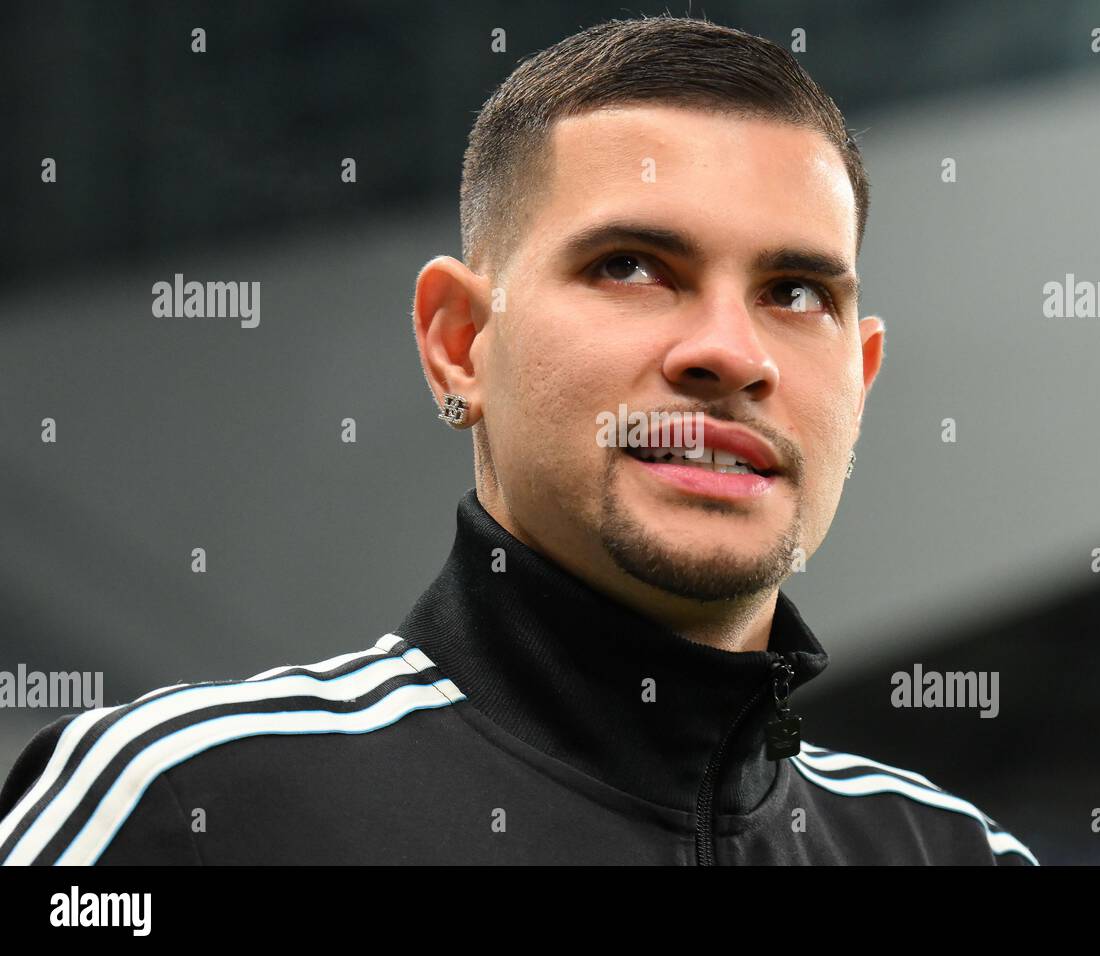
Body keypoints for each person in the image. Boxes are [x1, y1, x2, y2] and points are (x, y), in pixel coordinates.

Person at [0, 14, 1036, 865]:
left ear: (857, 381)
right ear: (459, 344)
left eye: (795, 291)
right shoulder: (184, 807)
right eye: (632, 266)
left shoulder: (960, 855)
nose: (729, 351)